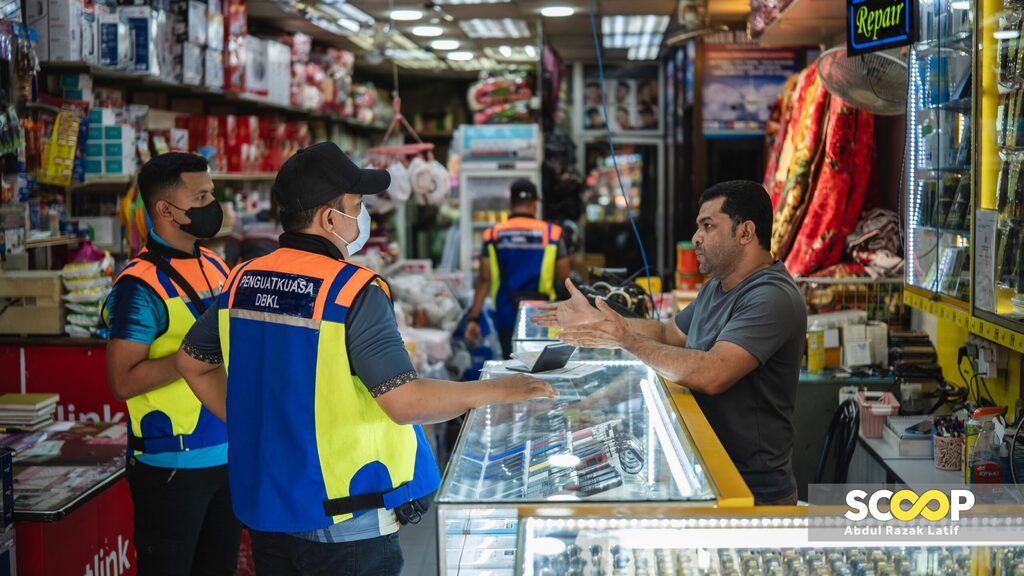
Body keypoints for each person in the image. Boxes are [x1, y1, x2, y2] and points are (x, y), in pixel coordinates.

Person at [174, 142, 557, 575]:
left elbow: (192, 362)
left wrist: (255, 422)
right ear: (328, 217)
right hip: (348, 521)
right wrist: (499, 389)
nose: (363, 217)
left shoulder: (243, 278)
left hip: (270, 515)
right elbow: (405, 401)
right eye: (356, 205)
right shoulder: (352, 290)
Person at [533, 180, 806, 505]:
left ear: (745, 232)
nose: (696, 239)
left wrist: (626, 339)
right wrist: (599, 323)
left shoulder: (771, 297)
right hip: (705, 473)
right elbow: (666, 335)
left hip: (751, 493)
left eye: (708, 226)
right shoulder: (715, 288)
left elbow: (714, 373)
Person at [105, 152, 241, 575]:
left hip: (228, 454)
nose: (212, 206)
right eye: (200, 196)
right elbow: (123, 381)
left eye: (211, 194)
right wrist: (190, 359)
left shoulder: (217, 265)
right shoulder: (137, 287)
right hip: (172, 468)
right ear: (165, 209)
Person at [466, 179, 571, 358]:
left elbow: (485, 278)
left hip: (506, 314)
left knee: (512, 366)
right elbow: (564, 279)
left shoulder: (493, 235)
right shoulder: (552, 233)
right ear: (534, 204)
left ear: (510, 203)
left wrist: (474, 319)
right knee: (544, 368)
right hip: (544, 314)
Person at [225, 196, 283, 267]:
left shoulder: (296, 228)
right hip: (250, 275)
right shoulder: (245, 222)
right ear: (274, 197)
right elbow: (230, 260)